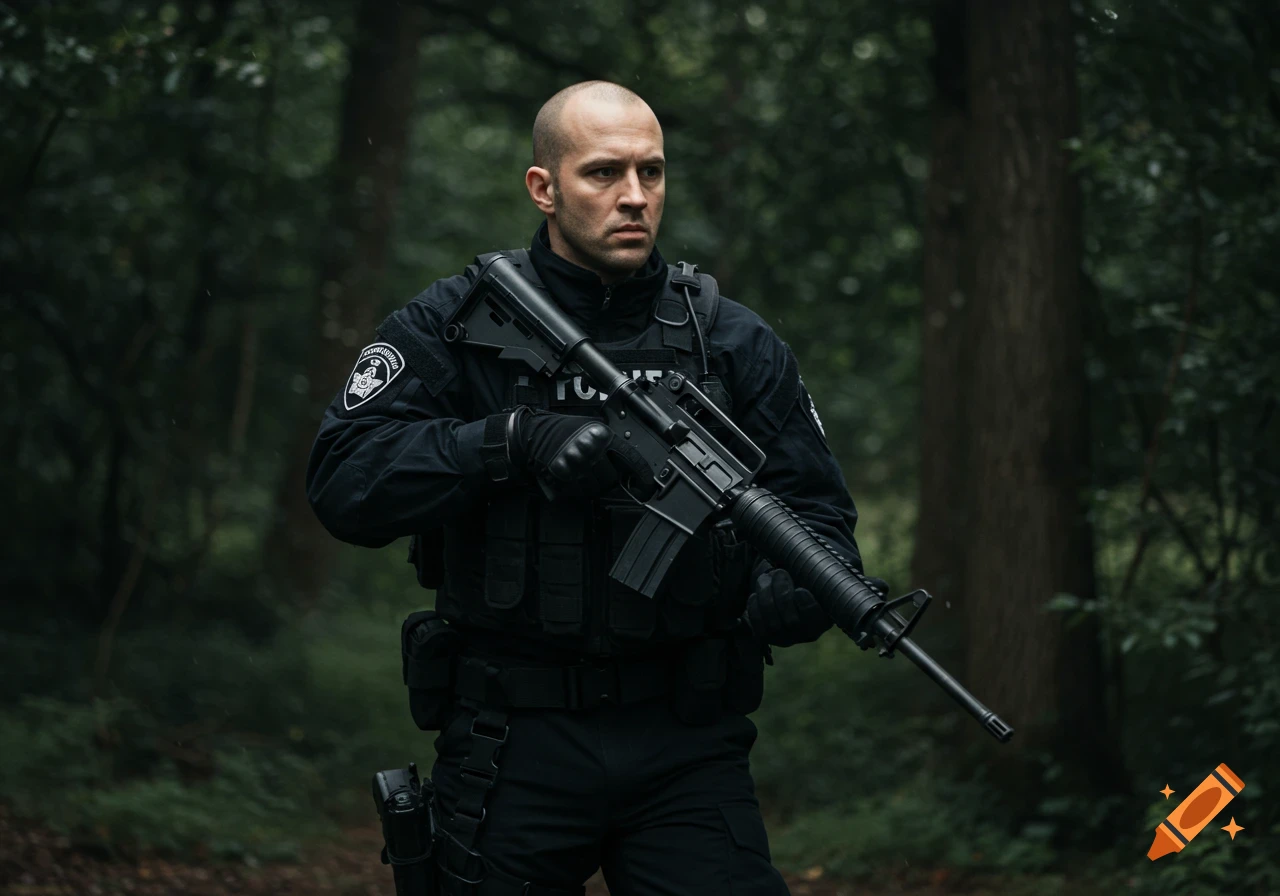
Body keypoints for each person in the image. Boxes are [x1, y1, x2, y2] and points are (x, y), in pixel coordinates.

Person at [307, 81, 871, 896]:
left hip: (686, 742)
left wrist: (796, 588)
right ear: (544, 188)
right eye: (604, 173)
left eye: (652, 172)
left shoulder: (732, 342)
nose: (635, 197)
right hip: (510, 739)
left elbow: (818, 514)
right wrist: (507, 440)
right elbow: (343, 480)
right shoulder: (455, 326)